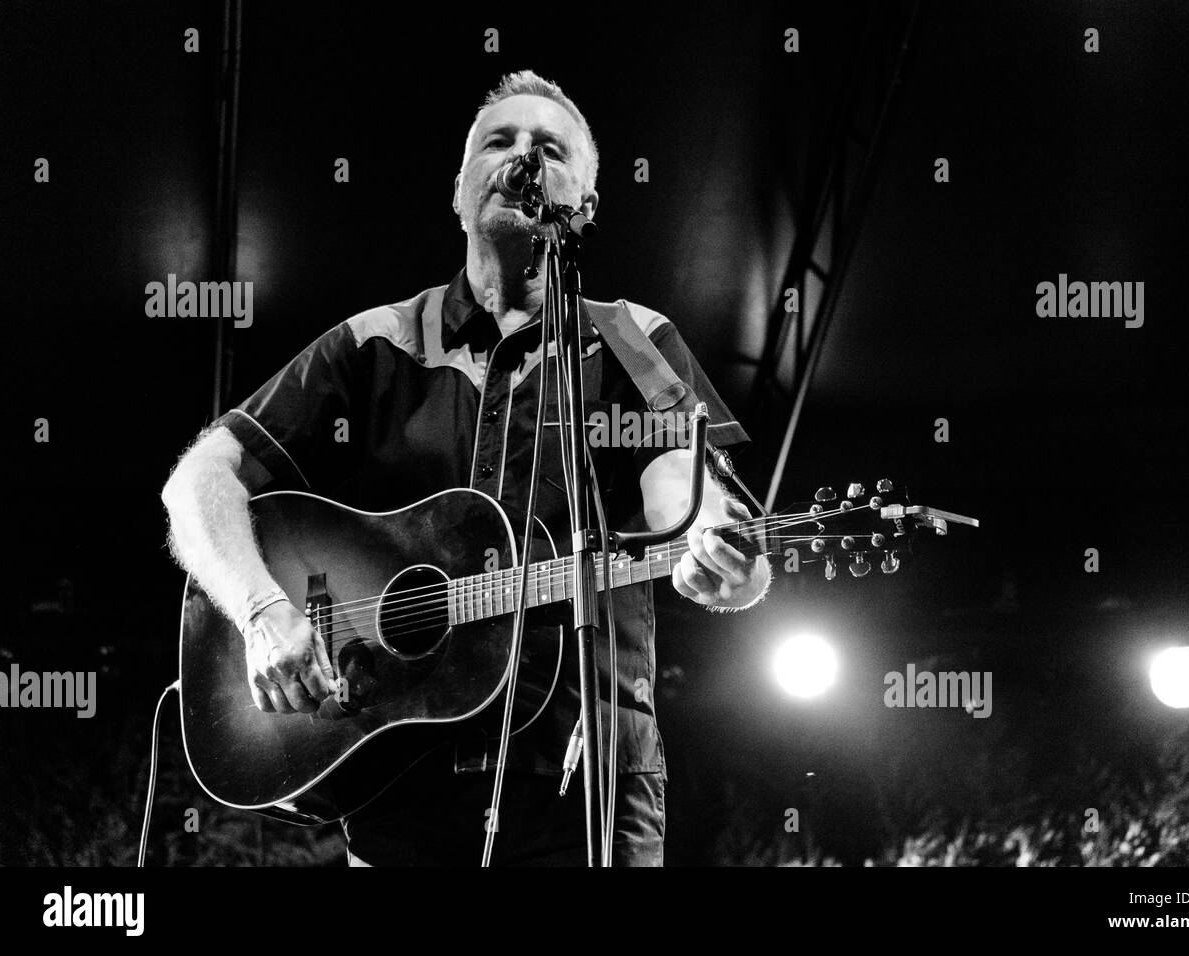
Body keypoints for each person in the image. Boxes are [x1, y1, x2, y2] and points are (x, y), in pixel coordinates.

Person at [161, 70, 770, 866]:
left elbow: (685, 508)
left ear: (582, 204)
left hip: (583, 784)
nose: (523, 158)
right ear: (458, 192)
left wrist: (724, 557)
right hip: (401, 787)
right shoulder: (378, 342)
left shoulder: (635, 343)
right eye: (500, 142)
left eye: (550, 149)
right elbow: (199, 480)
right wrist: (262, 610)